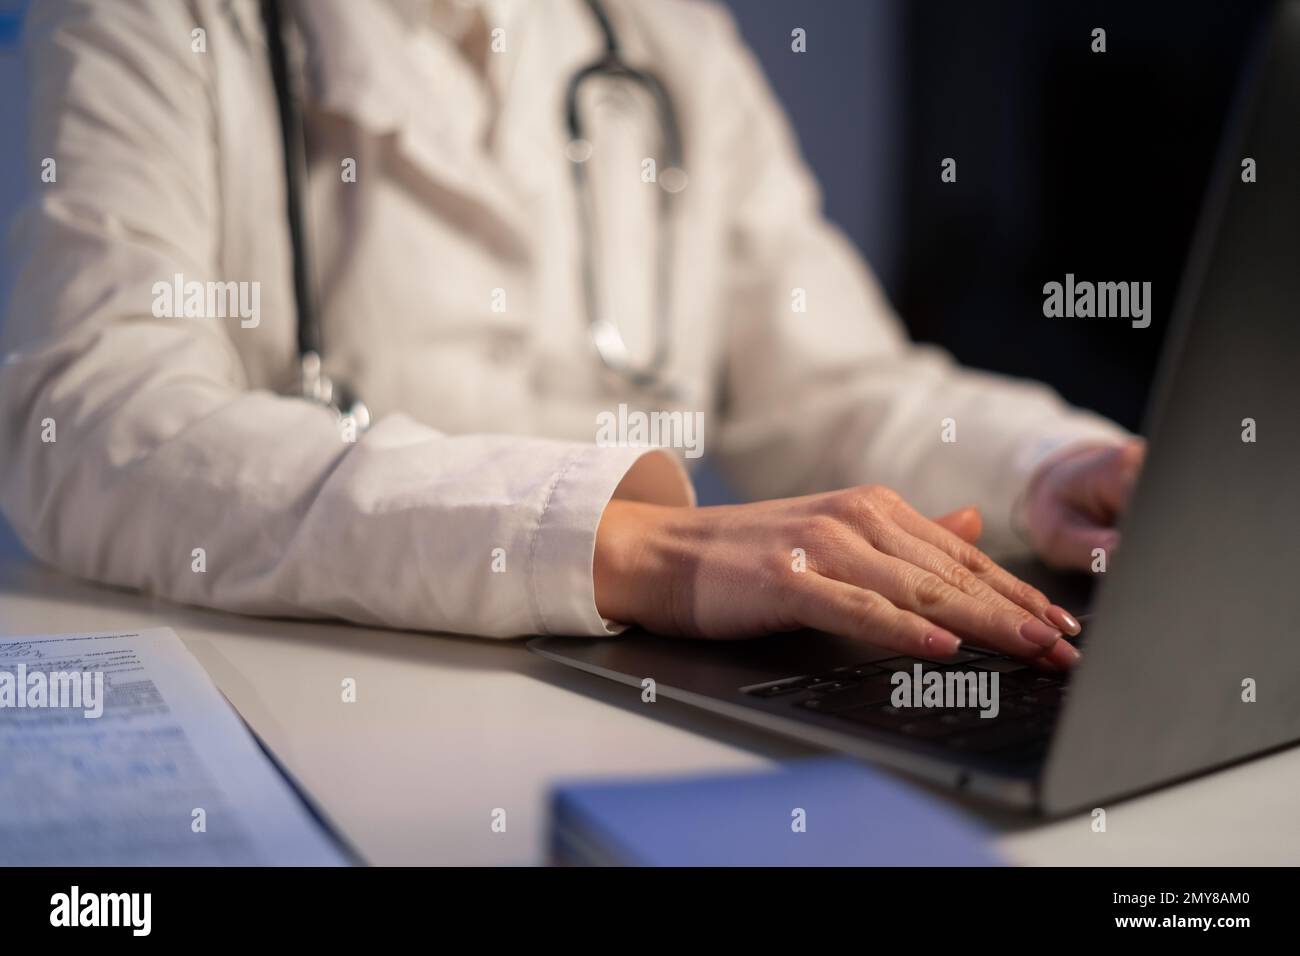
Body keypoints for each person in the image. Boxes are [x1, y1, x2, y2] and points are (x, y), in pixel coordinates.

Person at [0, 0, 1141, 670]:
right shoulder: (146, 25)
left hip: (635, 709)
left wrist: (1045, 466)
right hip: (323, 706)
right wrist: (616, 543)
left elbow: (841, 388)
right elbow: (89, 418)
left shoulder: (663, 41)